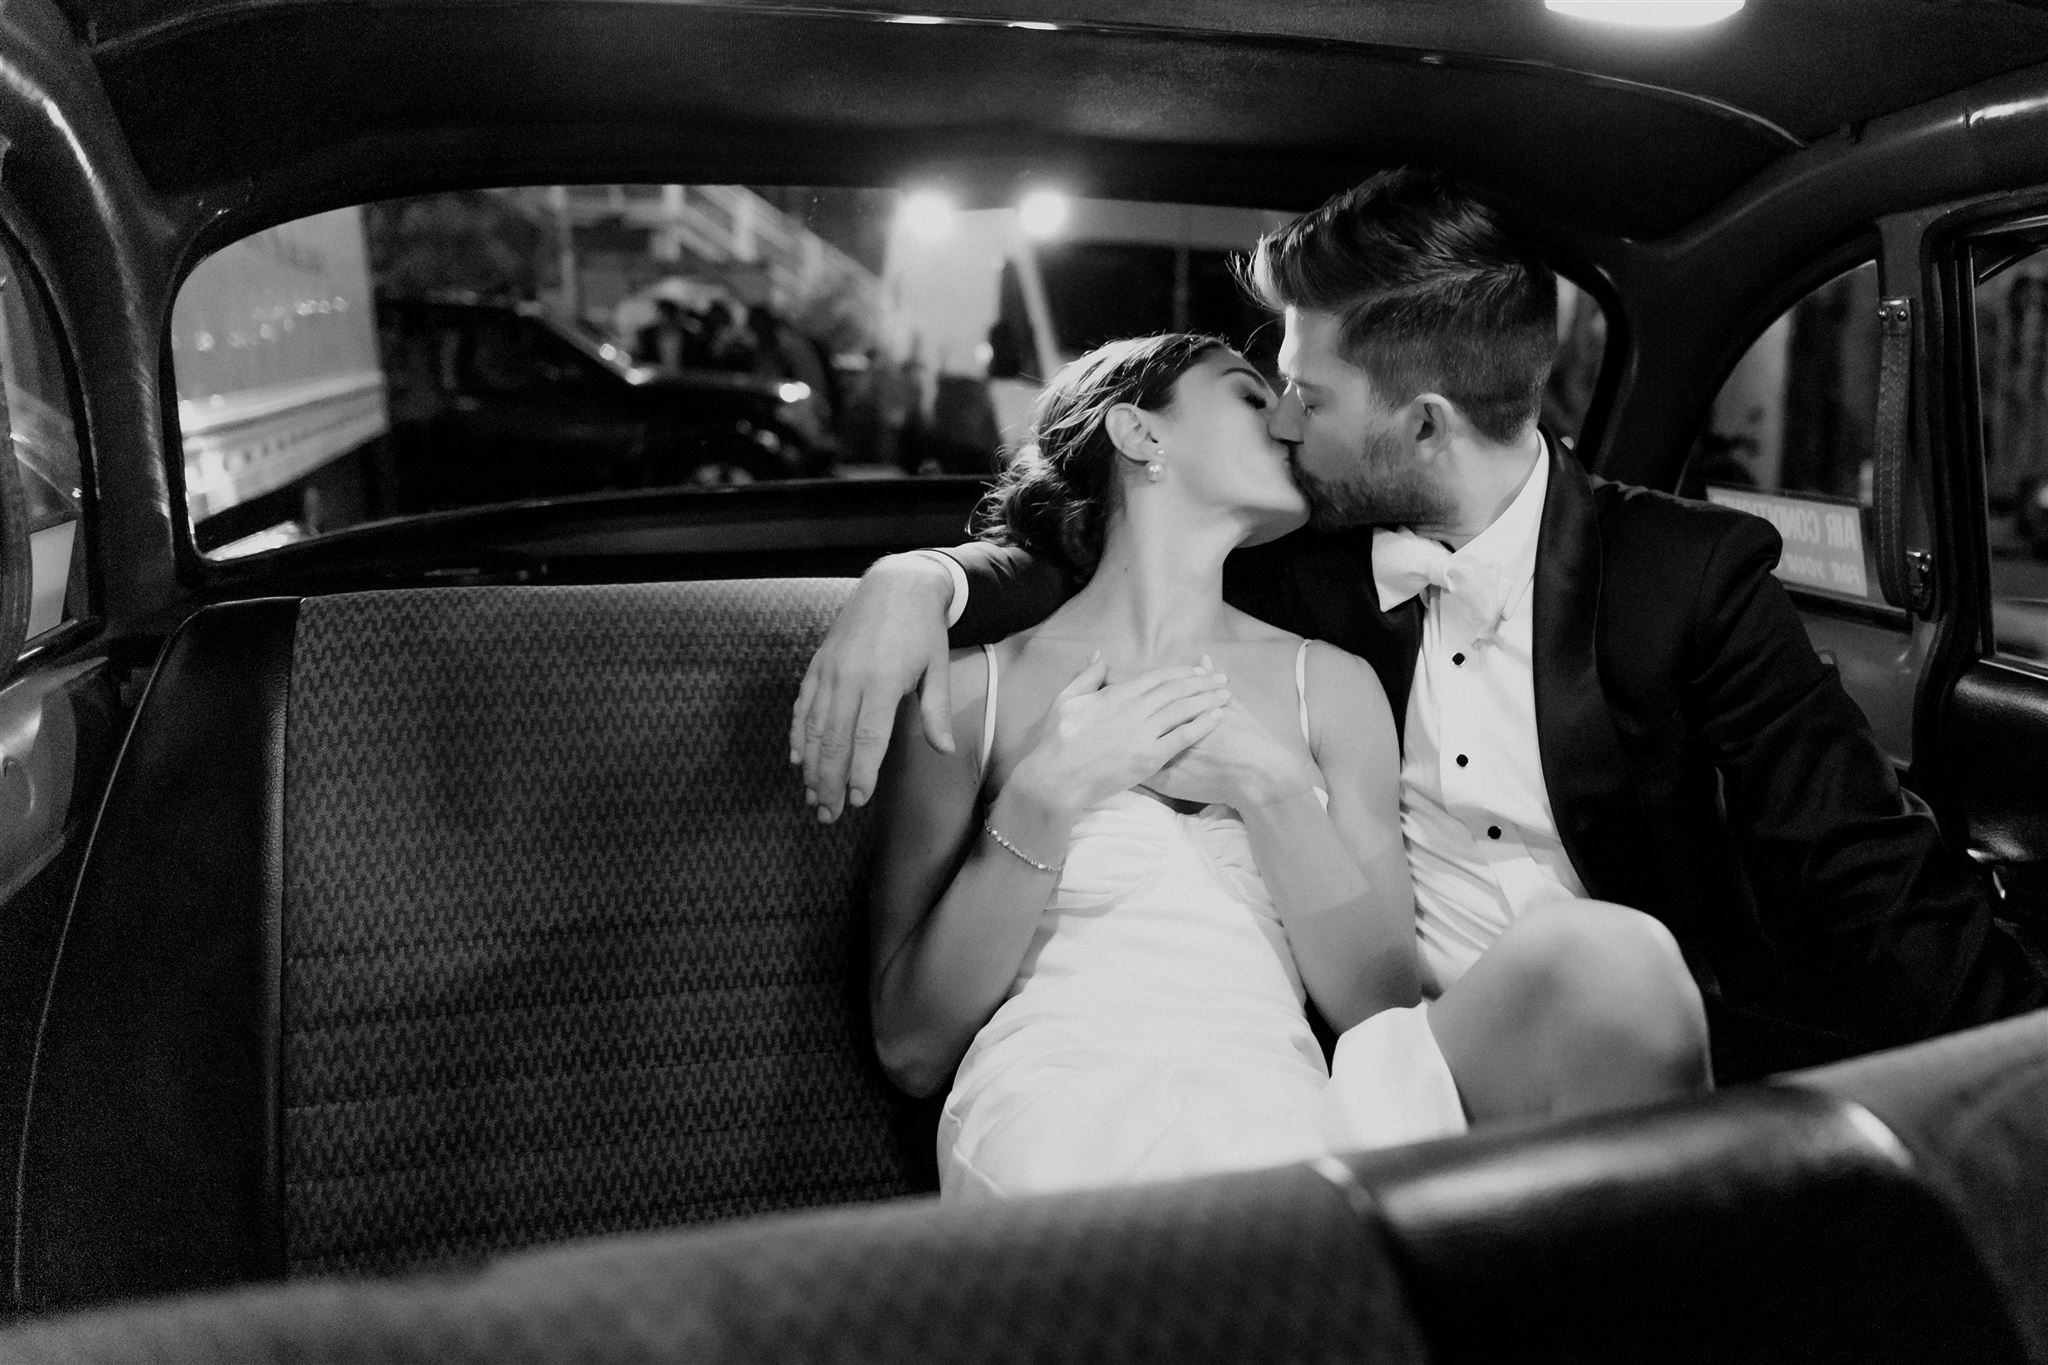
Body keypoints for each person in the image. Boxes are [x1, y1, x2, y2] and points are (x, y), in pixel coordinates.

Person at [798, 167, 2048, 1081]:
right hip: (1377, 1054)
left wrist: (2020, 1077)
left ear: (1422, 424)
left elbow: (1864, 872)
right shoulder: (1301, 567)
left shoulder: (1687, 577)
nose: (1283, 421)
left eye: (1301, 392)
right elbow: (1085, 556)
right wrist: (921, 582)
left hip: (1624, 1046)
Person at [870, 332, 1708, 1200]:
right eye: (1245, 391)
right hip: (1061, 1109)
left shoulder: (1329, 684)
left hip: (1292, 1104)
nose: (1285, 413)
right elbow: (911, 1046)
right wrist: (1049, 793)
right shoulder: (973, 695)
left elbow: (1376, 1002)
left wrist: (1265, 786)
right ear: (1138, 433)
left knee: (1617, 964)